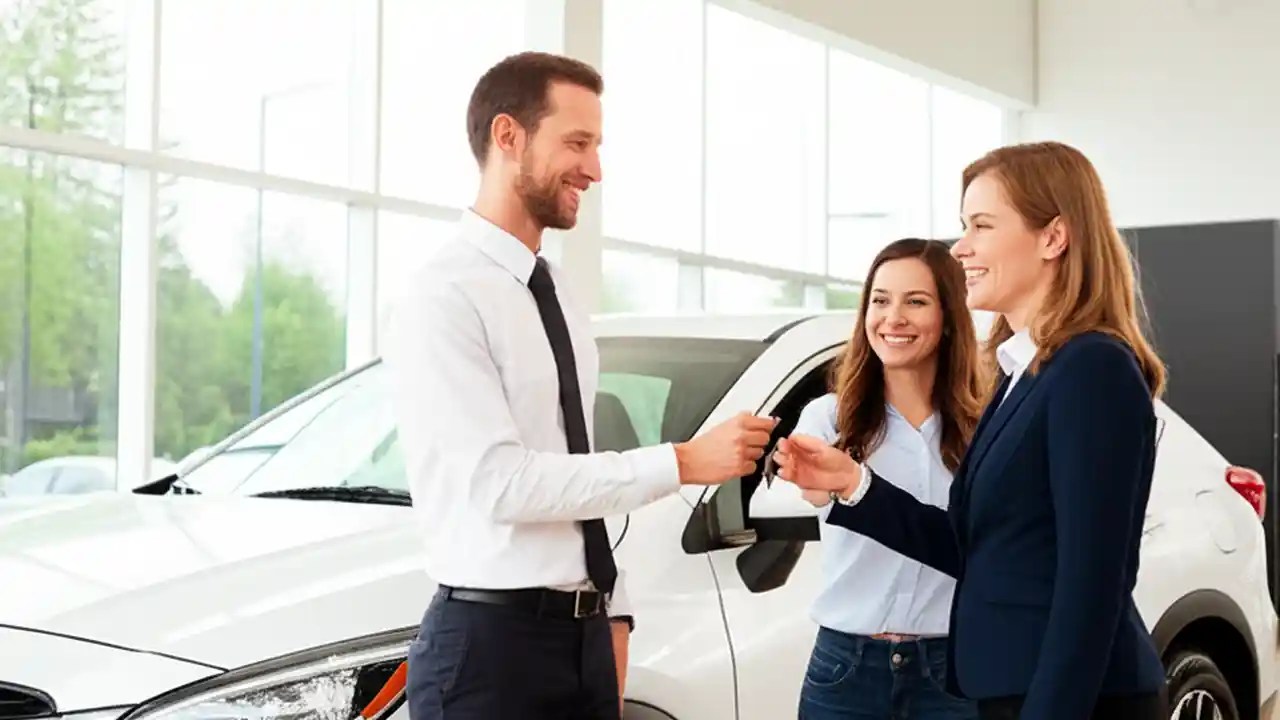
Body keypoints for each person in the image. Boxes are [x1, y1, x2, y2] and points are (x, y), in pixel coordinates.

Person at [380, 51, 777, 720]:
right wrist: (681, 463)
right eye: (577, 143)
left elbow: (569, 458)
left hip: (585, 642)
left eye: (596, 145)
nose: (594, 169)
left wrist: (610, 613)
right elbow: (499, 483)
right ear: (508, 136)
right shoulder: (443, 295)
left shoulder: (556, 290)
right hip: (491, 652)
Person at [772, 141, 1168, 720]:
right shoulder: (1023, 376)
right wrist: (855, 486)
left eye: (981, 225)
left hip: (1066, 699)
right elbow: (974, 547)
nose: (961, 248)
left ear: (1053, 238)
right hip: (1011, 687)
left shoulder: (1091, 367)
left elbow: (1092, 584)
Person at [772, 238, 985, 719]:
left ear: (950, 317)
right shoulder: (829, 418)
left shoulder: (983, 425)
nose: (893, 318)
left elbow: (983, 547)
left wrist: (853, 484)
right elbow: (809, 492)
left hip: (951, 671)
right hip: (846, 671)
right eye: (880, 300)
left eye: (916, 301)